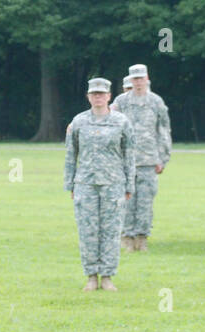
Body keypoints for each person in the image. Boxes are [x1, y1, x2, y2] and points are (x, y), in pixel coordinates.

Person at [64, 77, 135, 292]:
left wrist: (129, 185)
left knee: (111, 232)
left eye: (102, 94)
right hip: (85, 184)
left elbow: (129, 155)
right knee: (88, 232)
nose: (98, 97)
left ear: (109, 96)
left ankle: (107, 276)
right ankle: (91, 276)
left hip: (113, 184)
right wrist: (71, 184)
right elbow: (70, 154)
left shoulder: (122, 122)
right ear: (88, 97)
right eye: (94, 94)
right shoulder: (78, 122)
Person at [113, 63, 172, 253]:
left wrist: (163, 158)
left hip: (148, 162)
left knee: (146, 203)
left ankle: (142, 238)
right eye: (135, 79)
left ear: (146, 79)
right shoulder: (121, 102)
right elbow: (112, 129)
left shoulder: (156, 102)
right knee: (126, 202)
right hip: (125, 162)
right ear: (130, 80)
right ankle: (127, 237)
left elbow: (164, 130)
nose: (138, 82)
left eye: (141, 78)